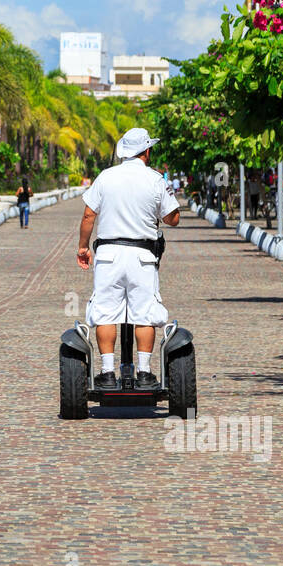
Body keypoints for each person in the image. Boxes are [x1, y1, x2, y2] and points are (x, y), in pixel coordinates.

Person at [77, 127, 180, 390]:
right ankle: (144, 373)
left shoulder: (106, 177)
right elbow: (173, 218)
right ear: (146, 151)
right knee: (144, 313)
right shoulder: (156, 179)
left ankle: (108, 373)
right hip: (142, 256)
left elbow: (89, 215)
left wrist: (82, 247)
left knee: (106, 313)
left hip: (109, 256)